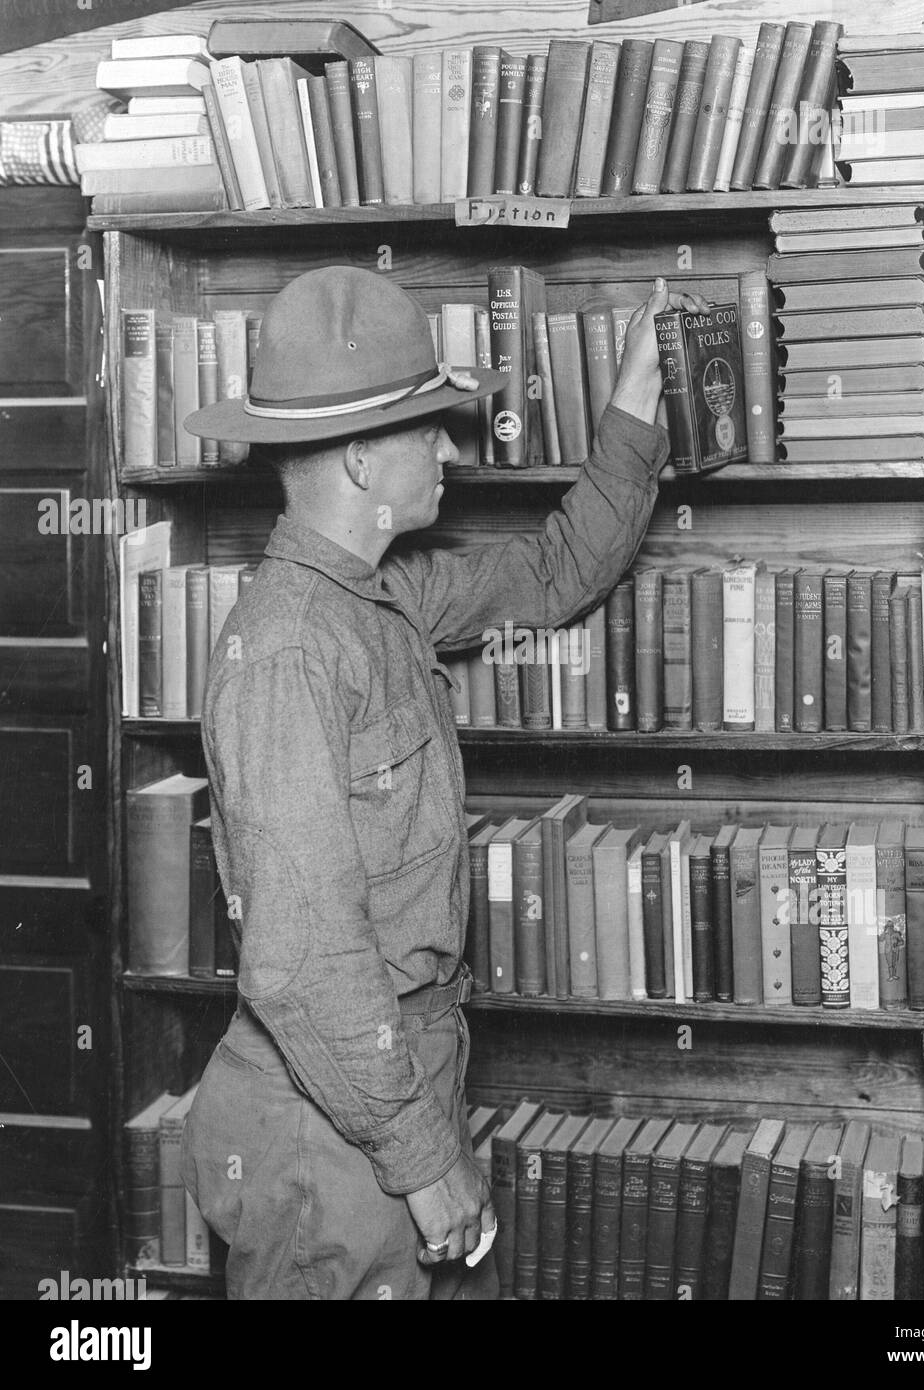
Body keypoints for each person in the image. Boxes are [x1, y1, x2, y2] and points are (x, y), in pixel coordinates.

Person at [179, 265, 708, 1299]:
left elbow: (558, 570)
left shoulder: (382, 602)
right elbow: (301, 961)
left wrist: (638, 397)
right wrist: (422, 1162)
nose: (454, 451)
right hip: (323, 1130)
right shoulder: (289, 650)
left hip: (385, 1080)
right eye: (429, 428)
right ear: (365, 458)